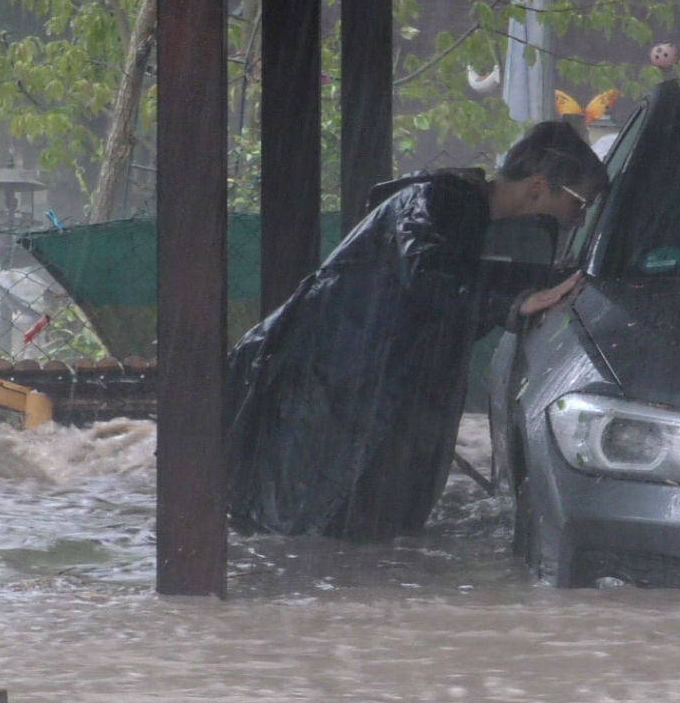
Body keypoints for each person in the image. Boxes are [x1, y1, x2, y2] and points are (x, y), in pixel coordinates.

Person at [226, 120, 609, 541]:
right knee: (302, 521)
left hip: (330, 372)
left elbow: (448, 282)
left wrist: (522, 290)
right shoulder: (443, 201)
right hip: (323, 377)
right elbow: (429, 279)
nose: (578, 219)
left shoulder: (456, 208)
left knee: (309, 528)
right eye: (579, 204)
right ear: (538, 186)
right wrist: (511, 304)